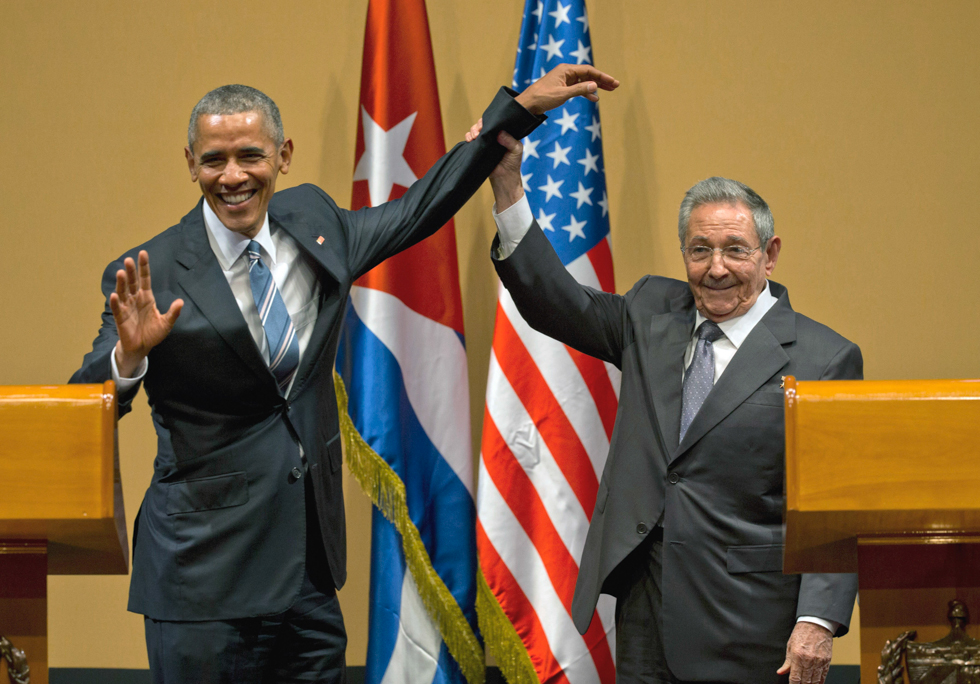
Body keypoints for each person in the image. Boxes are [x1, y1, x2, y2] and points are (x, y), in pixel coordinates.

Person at [70, 64, 618, 683]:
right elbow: (80, 406)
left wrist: (518, 110)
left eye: (250, 156)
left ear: (283, 156)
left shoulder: (316, 224)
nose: (232, 176)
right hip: (203, 580)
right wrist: (129, 360)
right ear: (190, 163)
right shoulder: (151, 271)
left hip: (307, 574)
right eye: (213, 160)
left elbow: (421, 207)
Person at [473, 124, 861, 684]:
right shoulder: (650, 313)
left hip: (750, 626)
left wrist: (817, 621)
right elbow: (554, 302)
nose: (716, 268)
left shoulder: (825, 356)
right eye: (700, 250)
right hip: (646, 617)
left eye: (735, 250)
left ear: (770, 255)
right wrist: (508, 188)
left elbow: (834, 508)